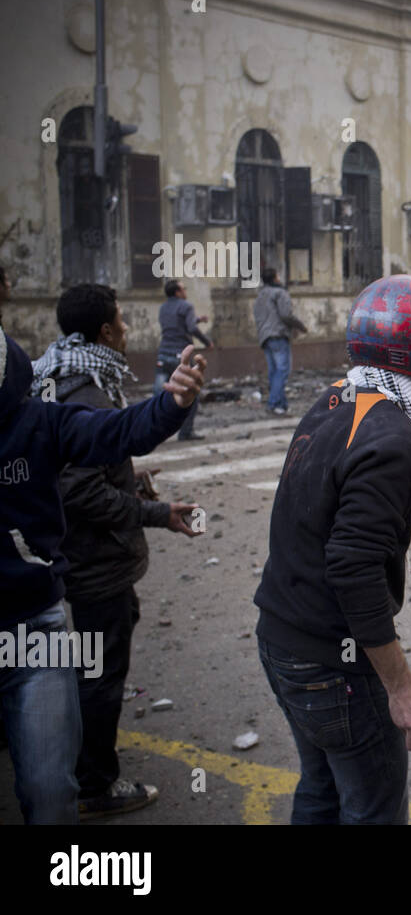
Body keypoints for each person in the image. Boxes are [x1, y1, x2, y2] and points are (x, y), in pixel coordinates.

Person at [254, 274, 411, 824]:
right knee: (373, 808)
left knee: (321, 792)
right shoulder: (398, 440)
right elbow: (353, 569)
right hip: (334, 666)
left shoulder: (336, 400)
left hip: (282, 642)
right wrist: (401, 688)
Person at [1, 318, 204, 825]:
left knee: (51, 791)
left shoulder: (36, 420)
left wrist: (172, 404)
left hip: (33, 628)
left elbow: (118, 432)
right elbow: (86, 487)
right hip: (88, 580)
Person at [155, 278, 212, 440]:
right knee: (190, 392)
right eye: (183, 289)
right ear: (178, 292)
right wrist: (207, 342)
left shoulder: (163, 308)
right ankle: (185, 432)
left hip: (163, 354)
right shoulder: (186, 306)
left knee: (159, 394)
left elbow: (179, 322)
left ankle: (156, 430)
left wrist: (198, 319)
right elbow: (191, 327)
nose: (185, 291)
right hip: (181, 356)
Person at [253, 267, 307, 415]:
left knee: (274, 372)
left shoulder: (260, 296)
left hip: (265, 337)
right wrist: (300, 326)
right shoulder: (280, 293)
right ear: (276, 278)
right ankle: (274, 404)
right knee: (282, 371)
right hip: (278, 335)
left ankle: (282, 405)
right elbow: (285, 315)